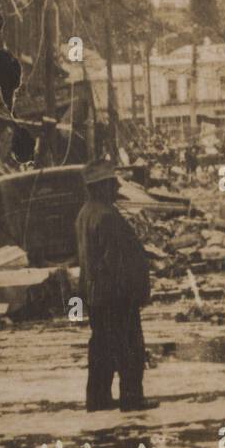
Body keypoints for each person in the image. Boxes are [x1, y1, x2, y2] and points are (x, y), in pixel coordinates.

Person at [75, 160, 151, 411]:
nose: (115, 188)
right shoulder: (106, 216)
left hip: (96, 296)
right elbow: (118, 262)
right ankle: (132, 399)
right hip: (116, 297)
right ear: (101, 187)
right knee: (129, 349)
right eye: (111, 184)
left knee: (102, 350)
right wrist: (134, 293)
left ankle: (98, 399)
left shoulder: (85, 213)